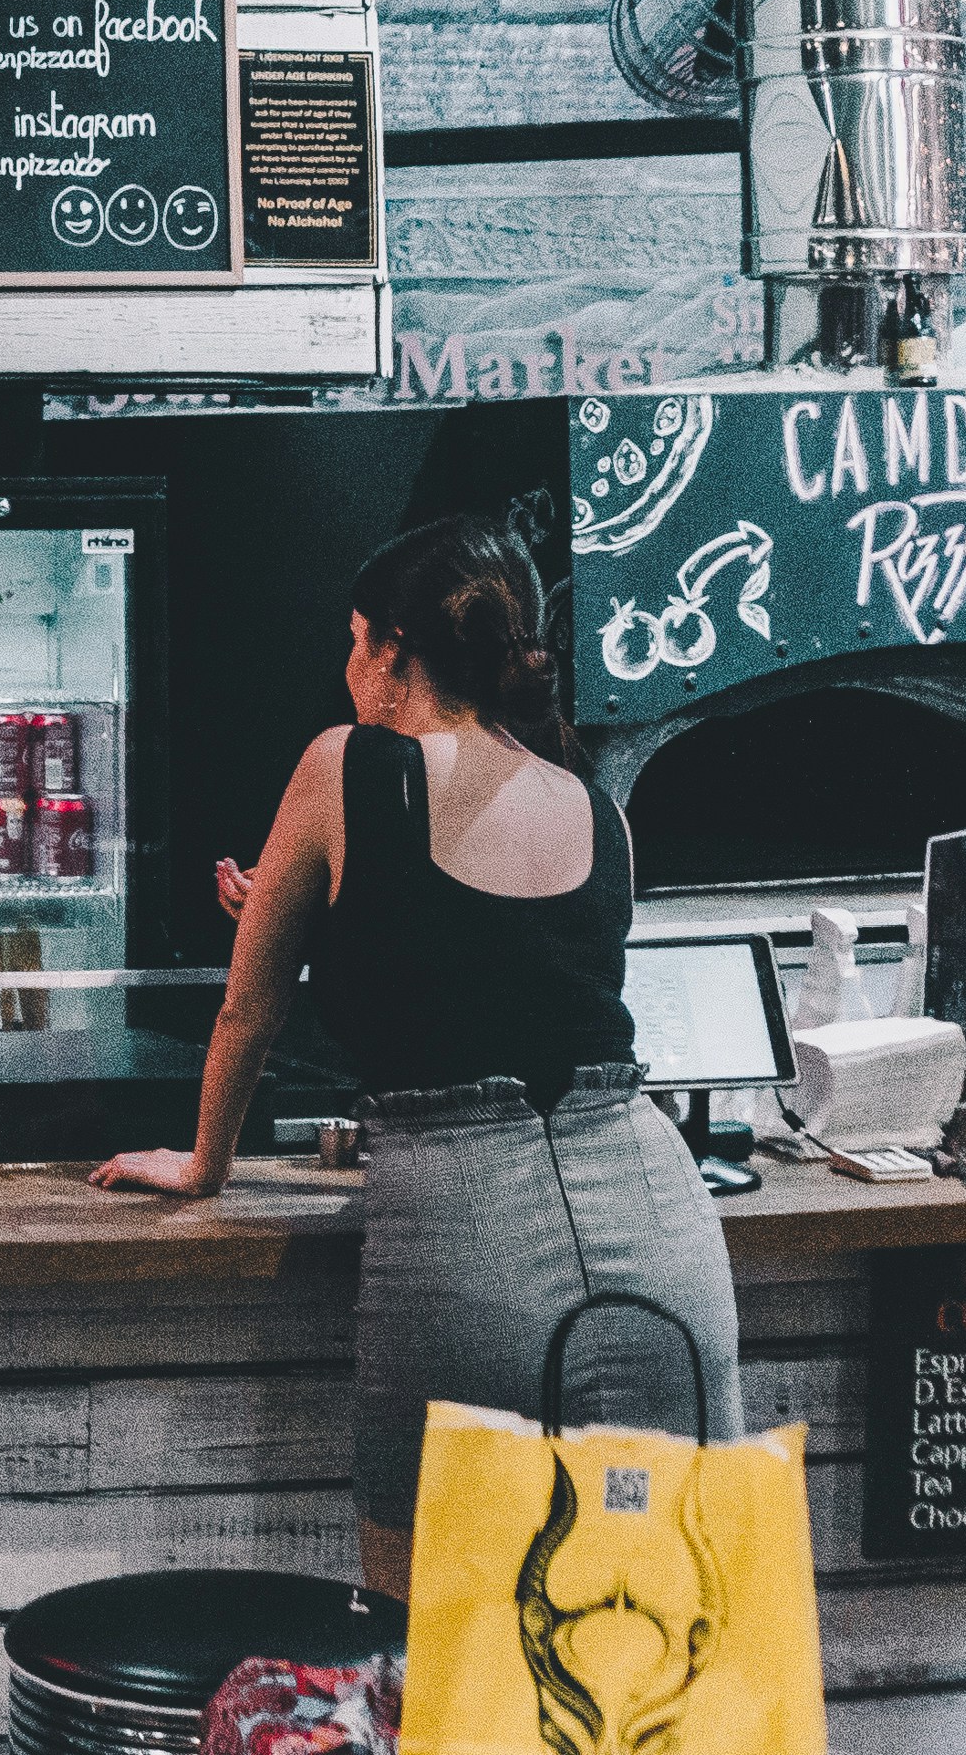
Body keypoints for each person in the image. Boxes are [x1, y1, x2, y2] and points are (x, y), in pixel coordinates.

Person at [89, 509, 736, 1602]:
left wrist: (205, 1164)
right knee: (654, 1644)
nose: (345, 666)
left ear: (392, 650)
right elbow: (504, 984)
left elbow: (250, 1012)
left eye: (353, 641)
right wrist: (324, 918)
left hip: (466, 1233)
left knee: (433, 1648)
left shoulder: (349, 765)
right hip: (662, 1229)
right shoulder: (596, 807)